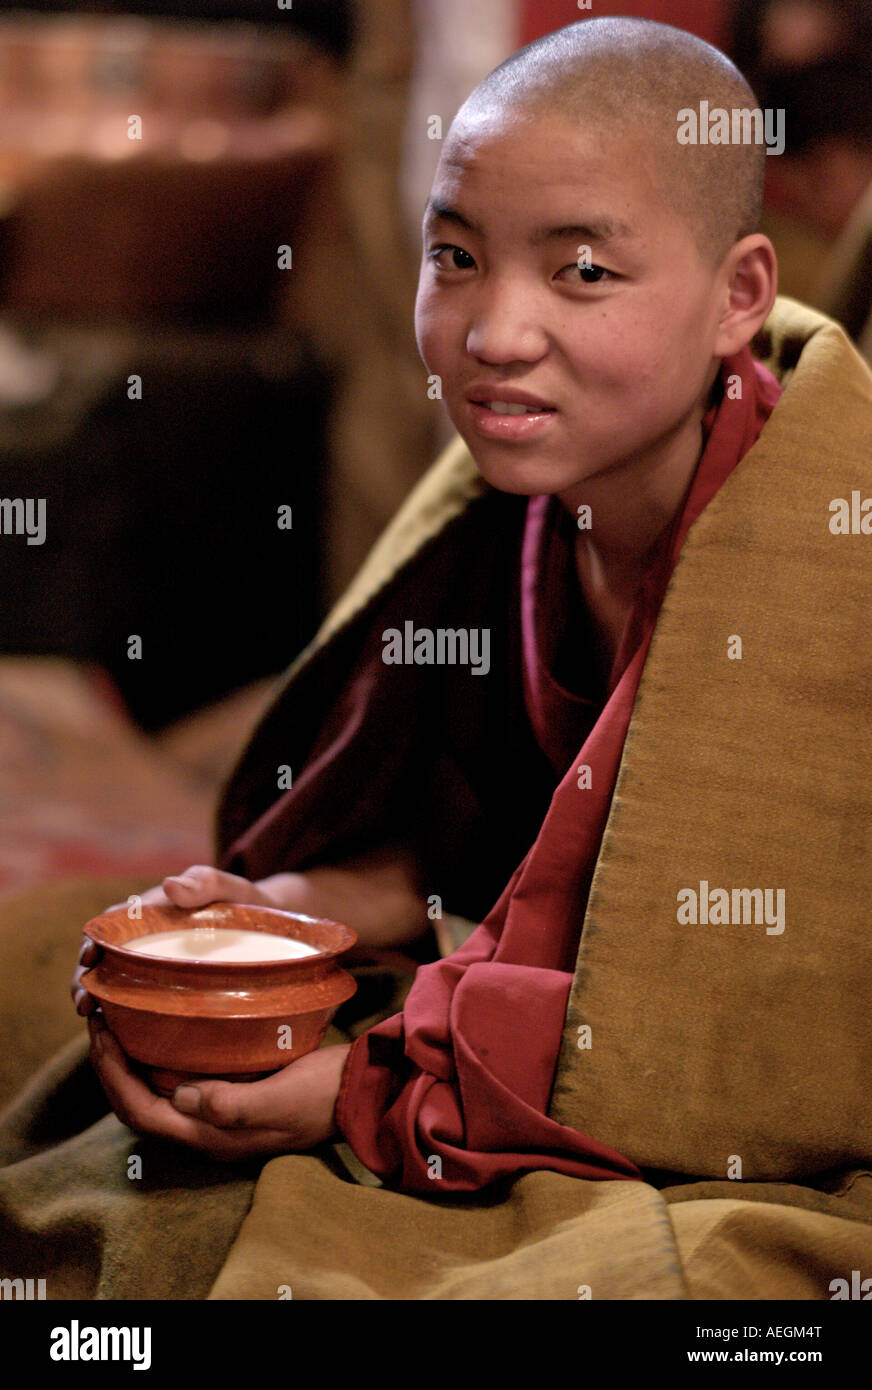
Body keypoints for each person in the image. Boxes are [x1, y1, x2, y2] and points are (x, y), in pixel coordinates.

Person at [45, 15, 871, 1295]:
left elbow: (762, 1013)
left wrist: (367, 1088)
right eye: (456, 256)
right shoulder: (522, 517)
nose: (492, 333)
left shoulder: (824, 556)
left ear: (737, 298)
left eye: (580, 272)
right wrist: (314, 915)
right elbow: (476, 834)